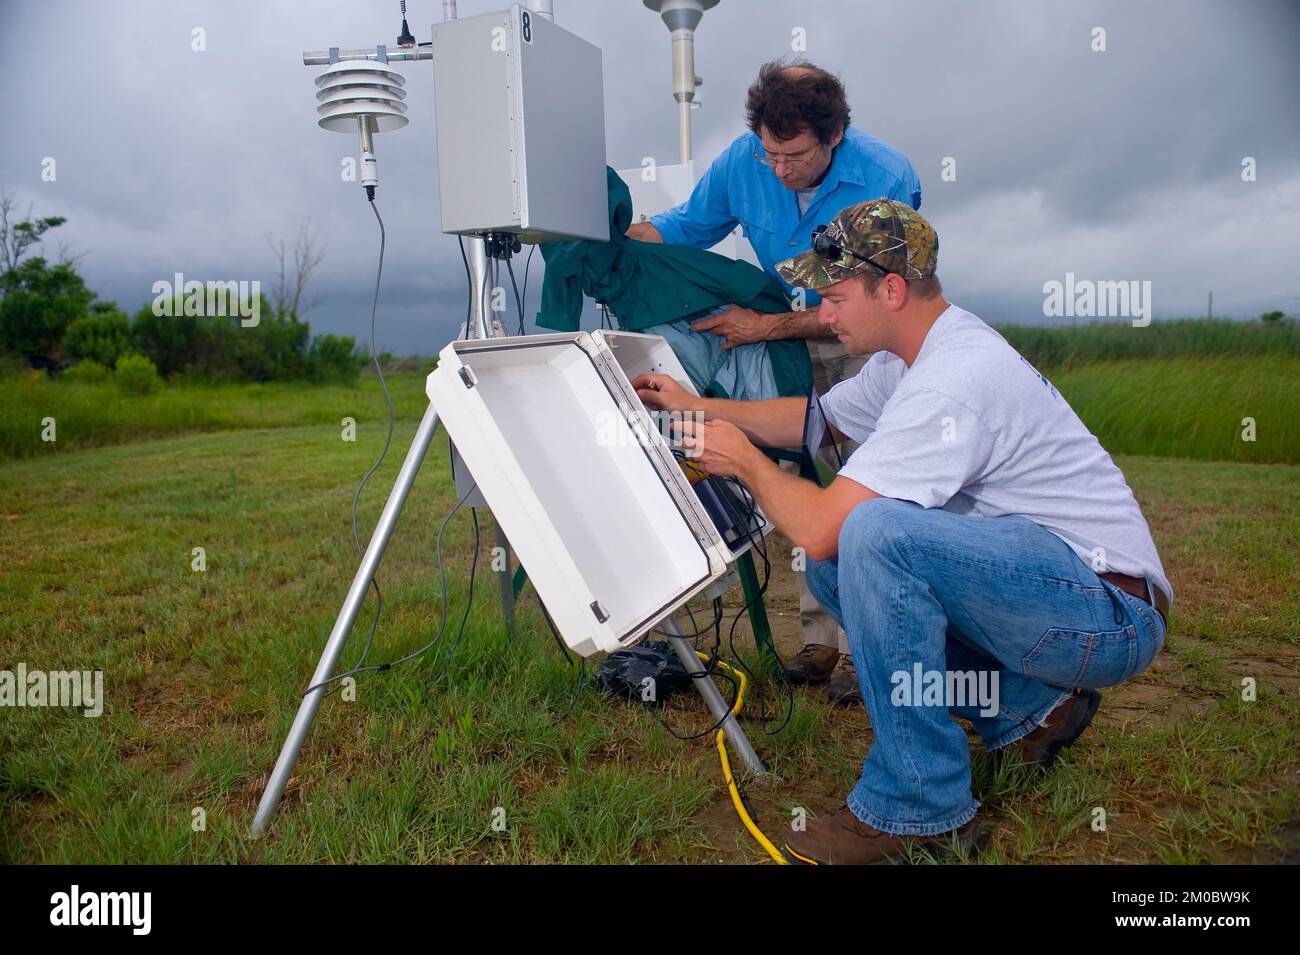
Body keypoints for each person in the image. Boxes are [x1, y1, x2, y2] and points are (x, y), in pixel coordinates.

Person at [632, 198, 1171, 865]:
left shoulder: (954, 377)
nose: (822, 317)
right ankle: (1035, 709)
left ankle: (921, 805)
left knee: (875, 533)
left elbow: (828, 526)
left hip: (1107, 613)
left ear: (890, 289)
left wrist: (744, 462)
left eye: (833, 297)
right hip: (1060, 592)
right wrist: (699, 406)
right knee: (842, 567)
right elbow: (815, 422)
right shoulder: (912, 356)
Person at [628, 60, 923, 702]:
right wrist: (621, 240)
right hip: (787, 340)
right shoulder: (744, 161)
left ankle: (864, 650)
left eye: (795, 156)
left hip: (863, 344)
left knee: (863, 487)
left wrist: (762, 327)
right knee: (790, 483)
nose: (780, 170)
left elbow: (865, 304)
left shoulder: (886, 178)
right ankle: (820, 639)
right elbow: (685, 226)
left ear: (835, 134)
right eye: (770, 155)